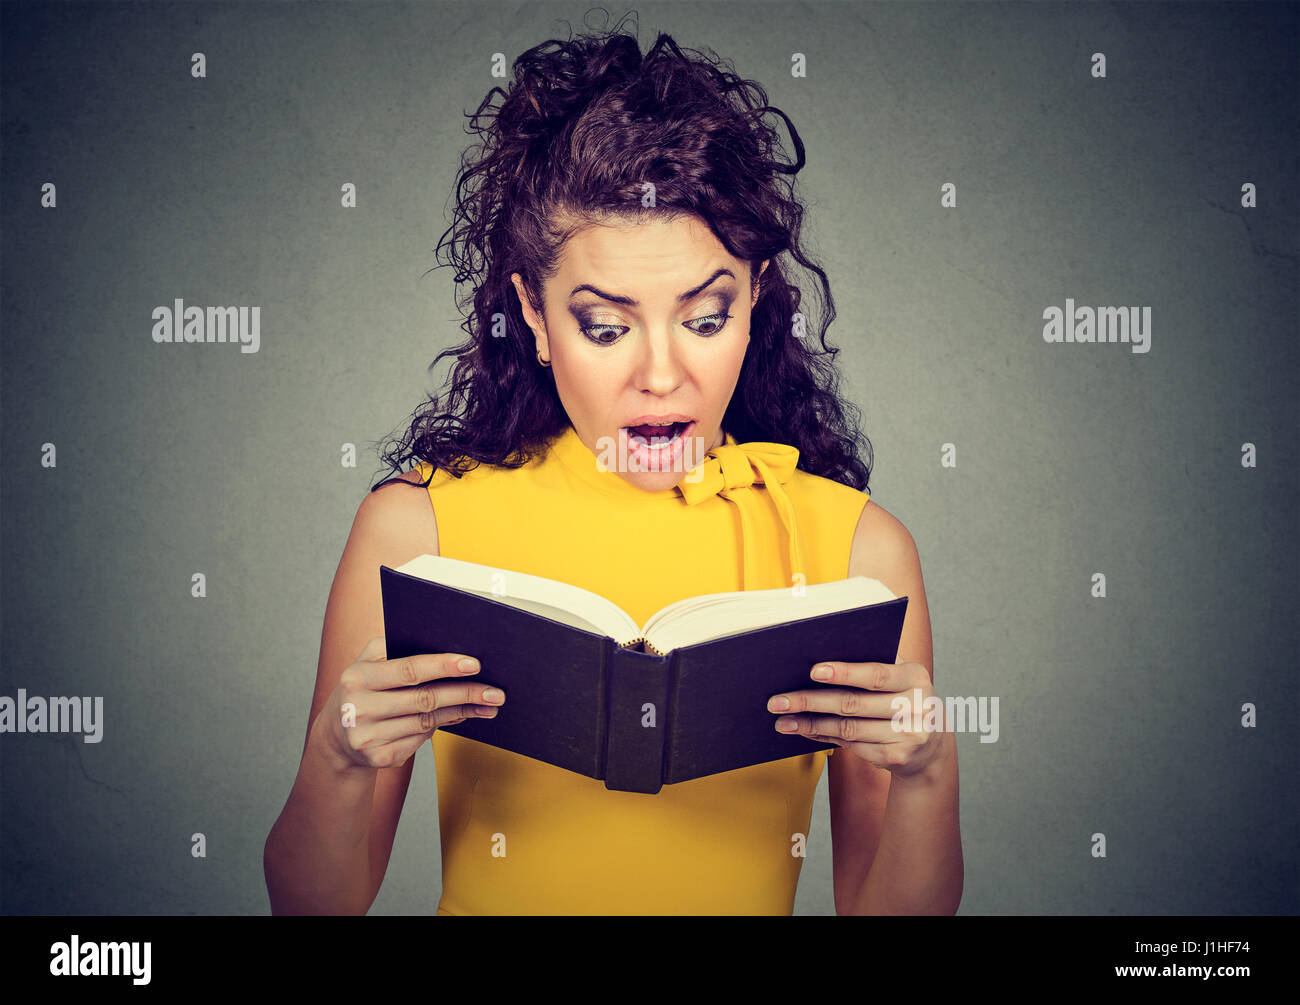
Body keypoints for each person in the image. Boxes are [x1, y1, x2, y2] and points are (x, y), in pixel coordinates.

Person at [264, 17, 962, 916]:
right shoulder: (419, 530)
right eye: (604, 325)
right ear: (535, 315)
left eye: (706, 318)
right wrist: (338, 756)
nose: (662, 374)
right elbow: (314, 905)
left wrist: (929, 771)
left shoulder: (858, 554)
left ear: (755, 298)